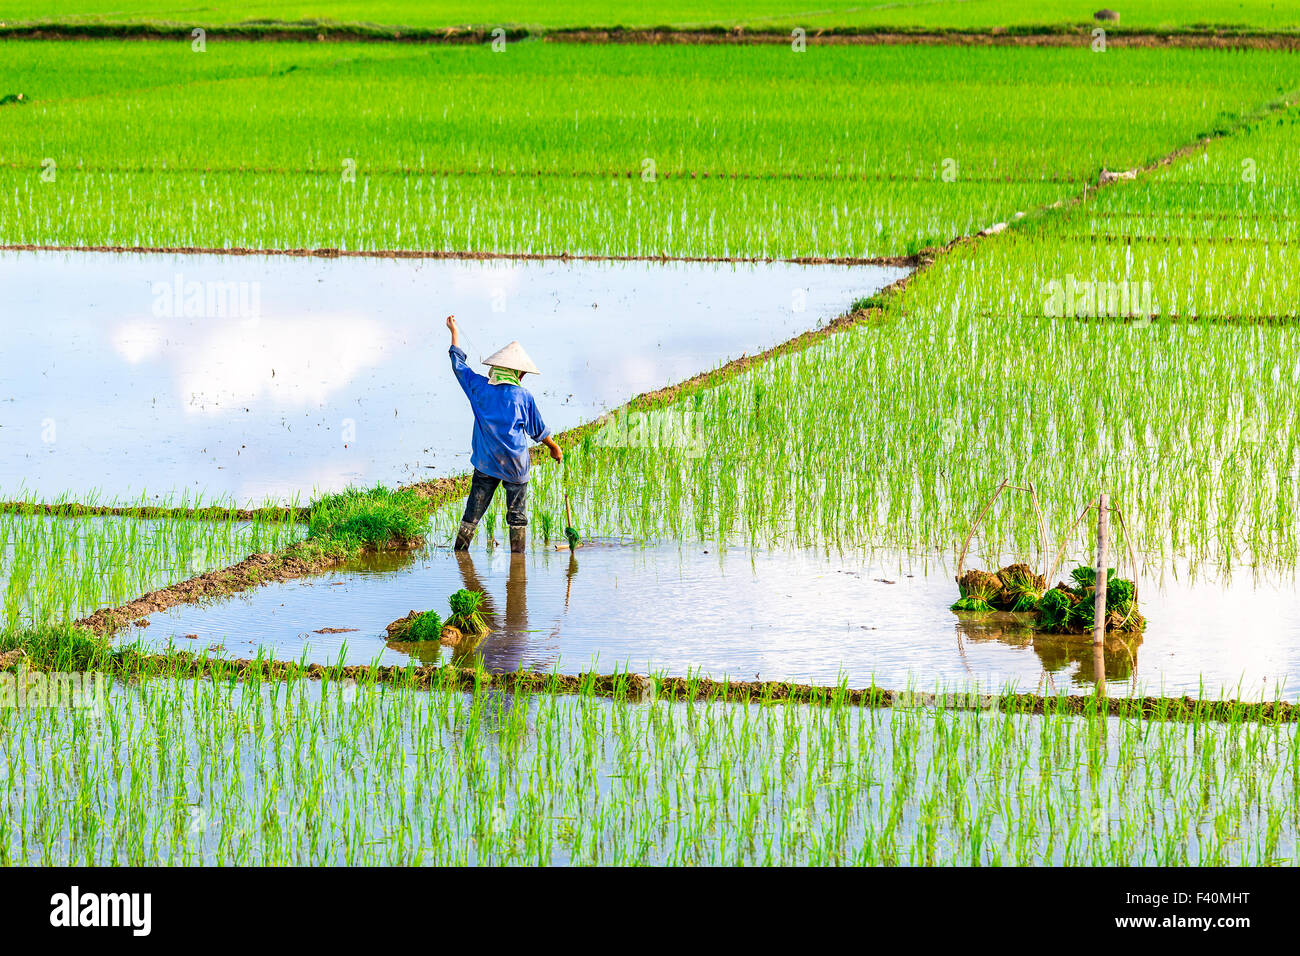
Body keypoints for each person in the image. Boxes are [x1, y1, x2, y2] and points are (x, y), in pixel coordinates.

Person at [446, 315, 562, 553]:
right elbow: (538, 431)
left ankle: (460, 554)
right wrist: (553, 446)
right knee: (517, 518)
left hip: (486, 464)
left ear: (495, 369)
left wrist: (454, 331)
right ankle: (517, 568)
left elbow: (458, 365)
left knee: (472, 515)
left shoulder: (478, 388)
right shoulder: (523, 397)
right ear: (518, 374)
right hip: (515, 467)